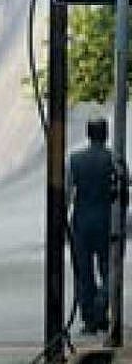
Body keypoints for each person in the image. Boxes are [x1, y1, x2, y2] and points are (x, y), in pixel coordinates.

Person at [66, 118, 128, 334]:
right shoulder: (115, 160)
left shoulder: (75, 160)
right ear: (106, 134)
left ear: (88, 134)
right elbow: (124, 194)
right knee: (108, 269)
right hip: (107, 222)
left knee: (84, 272)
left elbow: (67, 194)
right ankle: (102, 306)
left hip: (81, 222)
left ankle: (89, 318)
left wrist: (64, 221)